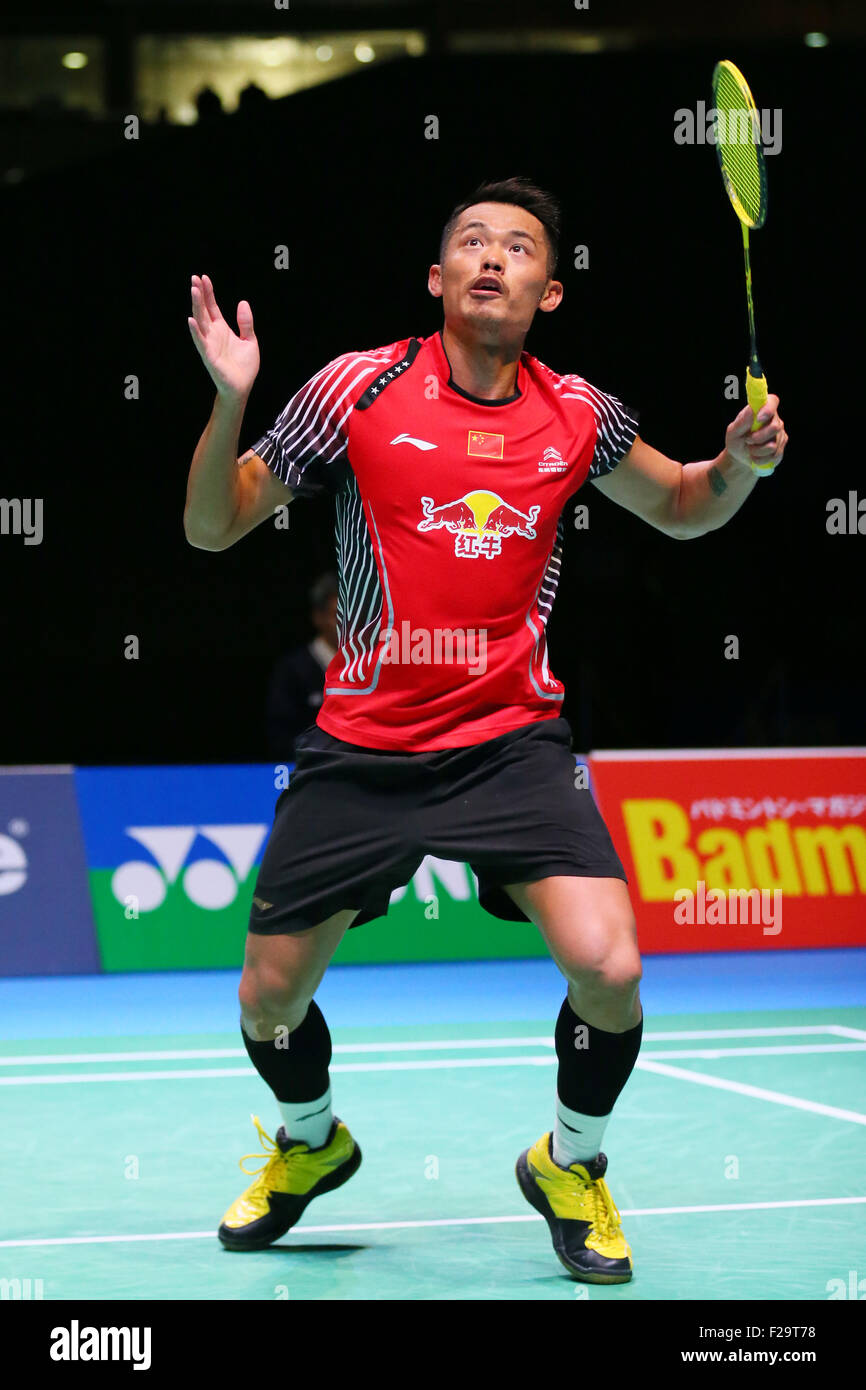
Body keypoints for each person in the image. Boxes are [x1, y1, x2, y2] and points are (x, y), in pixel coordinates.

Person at [184, 175, 787, 1284]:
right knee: (269, 999)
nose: (490, 259)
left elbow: (687, 504)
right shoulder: (352, 393)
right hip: (362, 742)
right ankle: (311, 1143)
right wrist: (230, 401)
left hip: (512, 741)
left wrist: (739, 465)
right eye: (469, 242)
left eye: (516, 248)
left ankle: (571, 1162)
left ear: (548, 292)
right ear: (437, 278)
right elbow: (212, 525)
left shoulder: (580, 416)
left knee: (609, 966)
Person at [266, 573, 338, 760]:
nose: (347, 624)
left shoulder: (370, 666)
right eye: (337, 615)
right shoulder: (293, 670)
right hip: (308, 772)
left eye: (352, 615)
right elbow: (280, 736)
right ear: (318, 617)